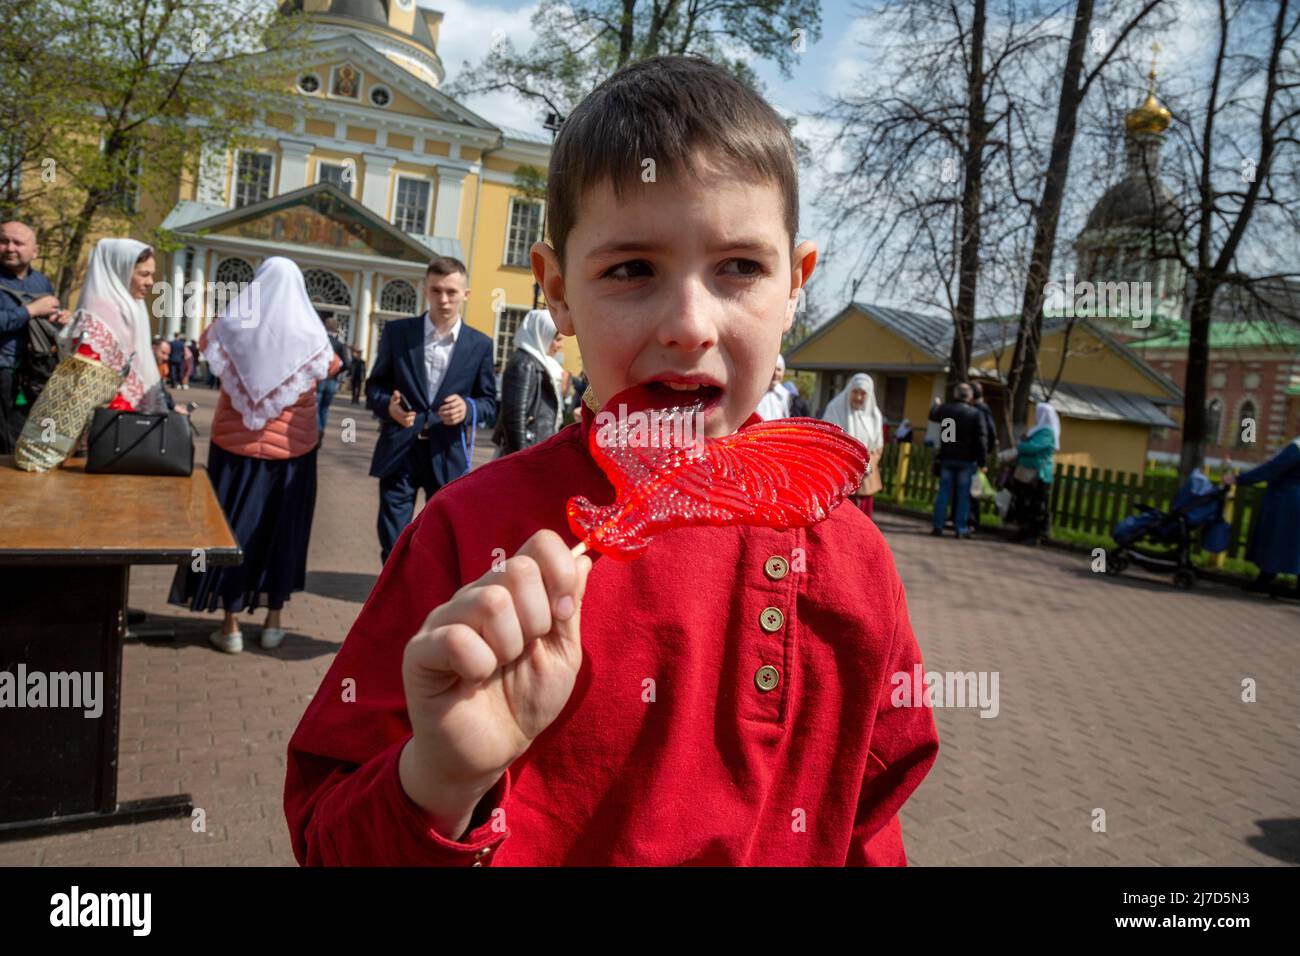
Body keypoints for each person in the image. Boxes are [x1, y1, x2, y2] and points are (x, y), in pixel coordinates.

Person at [285, 54, 938, 866]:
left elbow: (870, 821)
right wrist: (443, 777)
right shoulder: (470, 536)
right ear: (557, 291)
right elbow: (330, 840)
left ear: (796, 283)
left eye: (740, 267)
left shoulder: (854, 560)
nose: (689, 324)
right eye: (632, 270)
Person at [169, 258, 340, 653]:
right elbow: (331, 367)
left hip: (234, 451)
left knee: (229, 532)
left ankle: (229, 625)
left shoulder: (229, 326)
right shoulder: (312, 334)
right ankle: (273, 621)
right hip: (292, 454)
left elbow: (207, 346)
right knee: (281, 534)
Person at [364, 256, 498, 564]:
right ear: (425, 290)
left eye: (452, 292)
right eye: (436, 290)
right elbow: (374, 388)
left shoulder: (480, 345)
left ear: (466, 294)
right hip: (400, 450)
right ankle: (396, 599)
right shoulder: (398, 334)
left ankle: (430, 599)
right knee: (393, 538)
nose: (444, 299)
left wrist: (468, 408)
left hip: (446, 453)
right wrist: (389, 406)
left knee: (441, 537)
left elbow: (490, 403)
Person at [71, 239, 171, 413]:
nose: (150, 282)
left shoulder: (133, 307)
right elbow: (87, 381)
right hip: (108, 416)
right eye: (144, 274)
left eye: (152, 275)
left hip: (128, 414)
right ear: (121, 272)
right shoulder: (100, 313)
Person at [0, 221, 66, 453]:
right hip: (2, 370)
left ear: (35, 251)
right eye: (4, 241)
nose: (10, 248)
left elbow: (45, 320)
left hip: (33, 374)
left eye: (18, 243)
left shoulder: (41, 282)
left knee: (22, 442)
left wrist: (59, 318)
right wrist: (30, 311)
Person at [1224, 436, 1300, 597]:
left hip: (1287, 501)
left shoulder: (1296, 448)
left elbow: (1272, 469)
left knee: (1276, 539)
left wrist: (1239, 479)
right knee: (1294, 543)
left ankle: (1265, 578)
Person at [494, 308, 565, 455]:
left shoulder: (537, 362)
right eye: (557, 340)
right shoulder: (524, 364)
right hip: (527, 451)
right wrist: (522, 457)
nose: (560, 345)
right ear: (542, 334)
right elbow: (514, 417)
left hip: (535, 448)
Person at [929, 382, 987, 538]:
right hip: (967, 460)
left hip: (948, 457)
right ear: (970, 396)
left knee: (943, 493)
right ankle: (960, 528)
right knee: (963, 495)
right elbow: (981, 438)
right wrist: (982, 461)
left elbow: (934, 417)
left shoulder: (947, 410)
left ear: (956, 394)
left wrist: (936, 405)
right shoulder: (975, 414)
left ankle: (938, 526)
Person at [822, 373, 885, 517]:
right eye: (855, 392)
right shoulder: (835, 409)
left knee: (862, 520)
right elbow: (827, 438)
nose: (858, 397)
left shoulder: (875, 415)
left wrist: (867, 465)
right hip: (840, 475)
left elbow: (878, 446)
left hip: (866, 476)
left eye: (862, 393)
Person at [1008, 402, 1060, 545]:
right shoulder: (1038, 430)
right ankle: (1023, 531)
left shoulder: (1047, 432)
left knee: (1035, 506)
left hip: (1038, 475)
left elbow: (1032, 448)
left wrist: (1020, 445)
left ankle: (1034, 535)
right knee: (1024, 504)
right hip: (1028, 472)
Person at [314, 317, 349, 438]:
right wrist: (337, 372)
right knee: (325, 407)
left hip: (320, 379)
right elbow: (347, 364)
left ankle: (317, 429)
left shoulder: (319, 342)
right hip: (332, 380)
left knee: (316, 406)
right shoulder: (339, 345)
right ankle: (322, 428)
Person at [754, 354, 789, 420]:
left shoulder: (786, 394)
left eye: (779, 370)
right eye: (772, 369)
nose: (775, 373)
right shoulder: (755, 392)